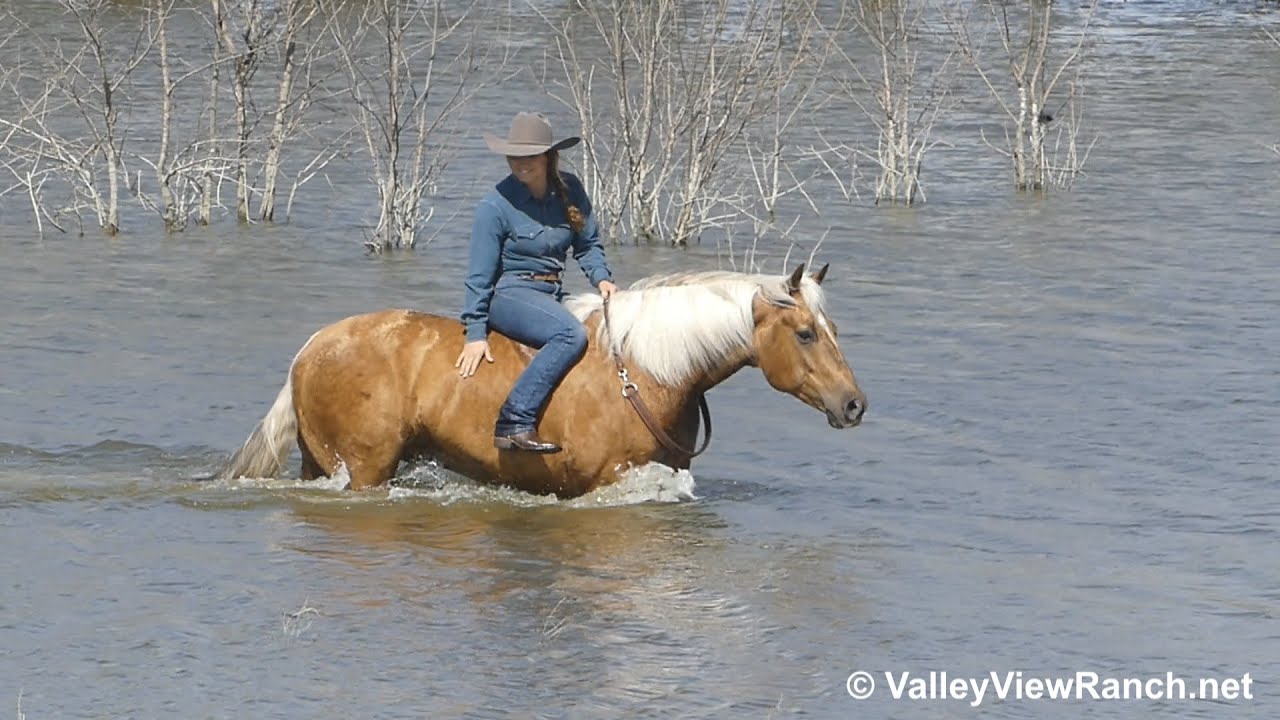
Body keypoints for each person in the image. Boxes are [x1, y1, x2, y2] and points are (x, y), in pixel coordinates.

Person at [456, 111, 619, 453]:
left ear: (548, 156)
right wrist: (474, 334)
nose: (521, 164)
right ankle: (514, 421)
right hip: (512, 294)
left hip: (553, 292)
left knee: (610, 332)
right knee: (569, 335)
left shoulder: (570, 189)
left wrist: (602, 280)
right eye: (514, 156)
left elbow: (587, 245)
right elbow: (479, 276)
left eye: (529, 156)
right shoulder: (495, 206)